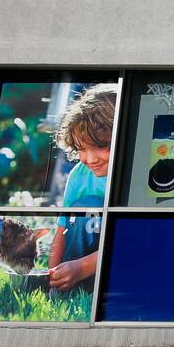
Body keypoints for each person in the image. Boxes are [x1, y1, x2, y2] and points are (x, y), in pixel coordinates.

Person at [49, 83, 118, 292]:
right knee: (87, 206)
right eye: (82, 148)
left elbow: (134, 238)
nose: (90, 159)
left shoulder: (135, 175)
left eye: (101, 146)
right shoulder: (79, 176)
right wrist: (53, 276)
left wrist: (81, 268)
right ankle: (70, 287)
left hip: (118, 266)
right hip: (79, 268)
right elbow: (61, 231)